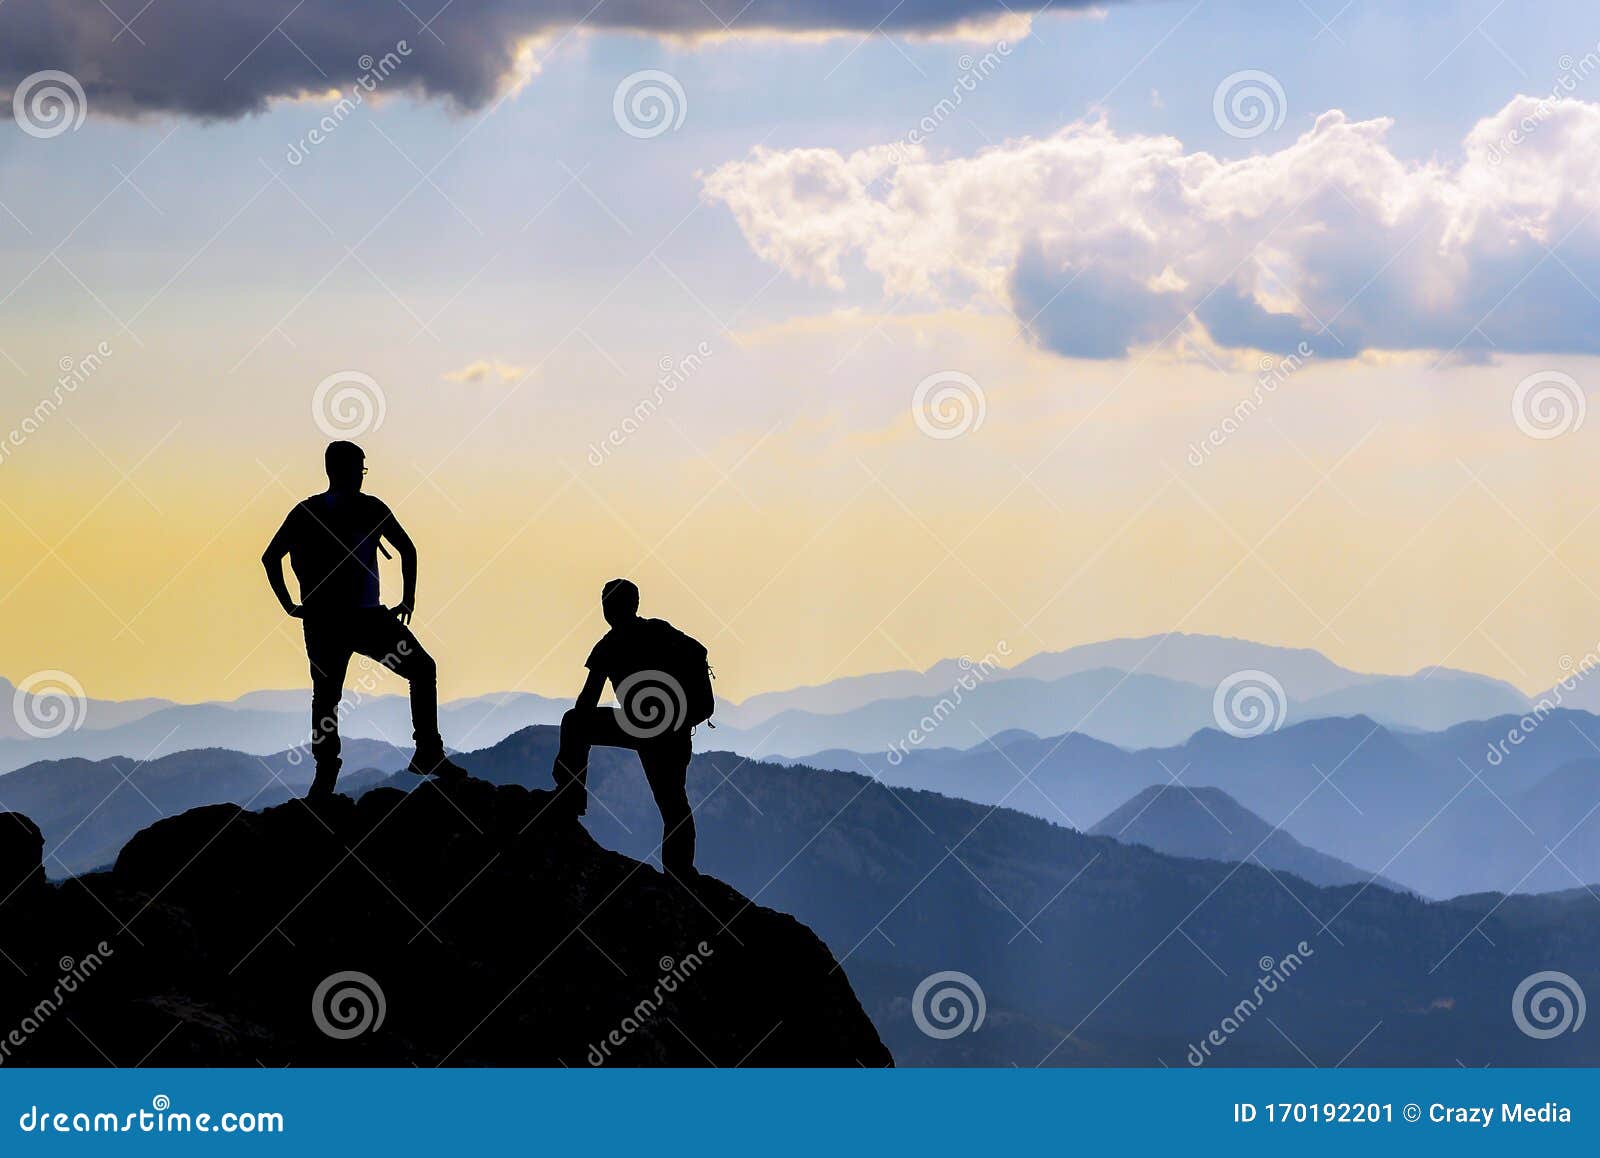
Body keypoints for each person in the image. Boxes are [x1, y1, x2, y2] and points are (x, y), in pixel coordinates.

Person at [261, 441, 465, 798]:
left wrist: (289, 605)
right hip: (367, 618)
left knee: (326, 697)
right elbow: (407, 549)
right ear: (345, 470)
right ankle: (428, 752)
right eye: (360, 468)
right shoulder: (370, 508)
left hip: (323, 622)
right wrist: (408, 599)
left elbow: (271, 557)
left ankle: (325, 775)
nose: (362, 475)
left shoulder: (306, 512)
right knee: (421, 669)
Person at [553, 579, 711, 876]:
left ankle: (569, 797)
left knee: (574, 722)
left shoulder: (609, 645)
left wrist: (567, 756)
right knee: (673, 803)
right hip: (670, 730)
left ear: (608, 608)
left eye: (607, 603)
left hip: (640, 726)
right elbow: (698, 652)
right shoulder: (659, 631)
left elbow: (587, 702)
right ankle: (680, 872)